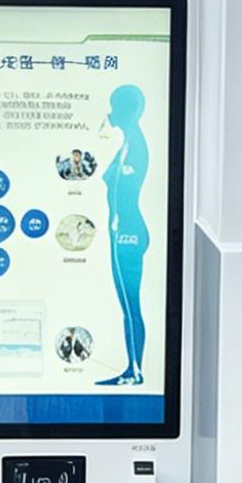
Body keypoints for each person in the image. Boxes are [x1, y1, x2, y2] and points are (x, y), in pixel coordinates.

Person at [97, 83, 150, 387]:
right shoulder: (128, 144)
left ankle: (134, 370)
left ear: (127, 110)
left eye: (115, 107)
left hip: (127, 232)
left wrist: (116, 226)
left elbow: (119, 188)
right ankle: (133, 368)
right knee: (128, 307)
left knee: (131, 306)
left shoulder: (135, 146)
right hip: (123, 231)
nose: (111, 113)